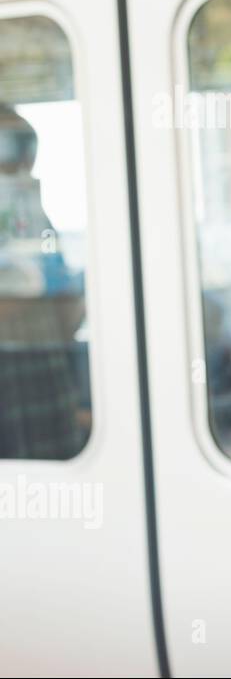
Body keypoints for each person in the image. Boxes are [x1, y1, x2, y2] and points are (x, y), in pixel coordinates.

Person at [0, 102, 86, 459]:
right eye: (9, 145)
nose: (19, 160)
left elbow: (64, 318)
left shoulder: (34, 217)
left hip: (46, 380)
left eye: (25, 145)